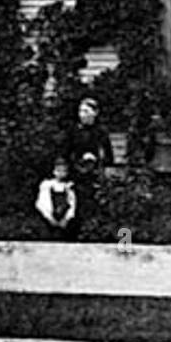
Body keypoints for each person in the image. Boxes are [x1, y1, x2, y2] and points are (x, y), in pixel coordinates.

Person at [62, 98, 114, 239]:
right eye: (80, 111)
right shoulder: (73, 131)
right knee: (76, 193)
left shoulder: (101, 132)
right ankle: (73, 231)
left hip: (95, 172)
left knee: (93, 195)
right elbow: (65, 153)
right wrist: (78, 160)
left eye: (86, 111)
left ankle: (93, 230)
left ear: (95, 113)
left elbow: (109, 157)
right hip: (76, 171)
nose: (82, 114)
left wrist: (95, 159)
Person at [34, 156, 78, 239]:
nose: (61, 173)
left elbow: (72, 204)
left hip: (63, 221)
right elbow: (41, 204)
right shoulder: (47, 185)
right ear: (54, 171)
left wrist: (66, 219)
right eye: (59, 171)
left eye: (64, 171)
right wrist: (50, 218)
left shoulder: (69, 187)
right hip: (47, 221)